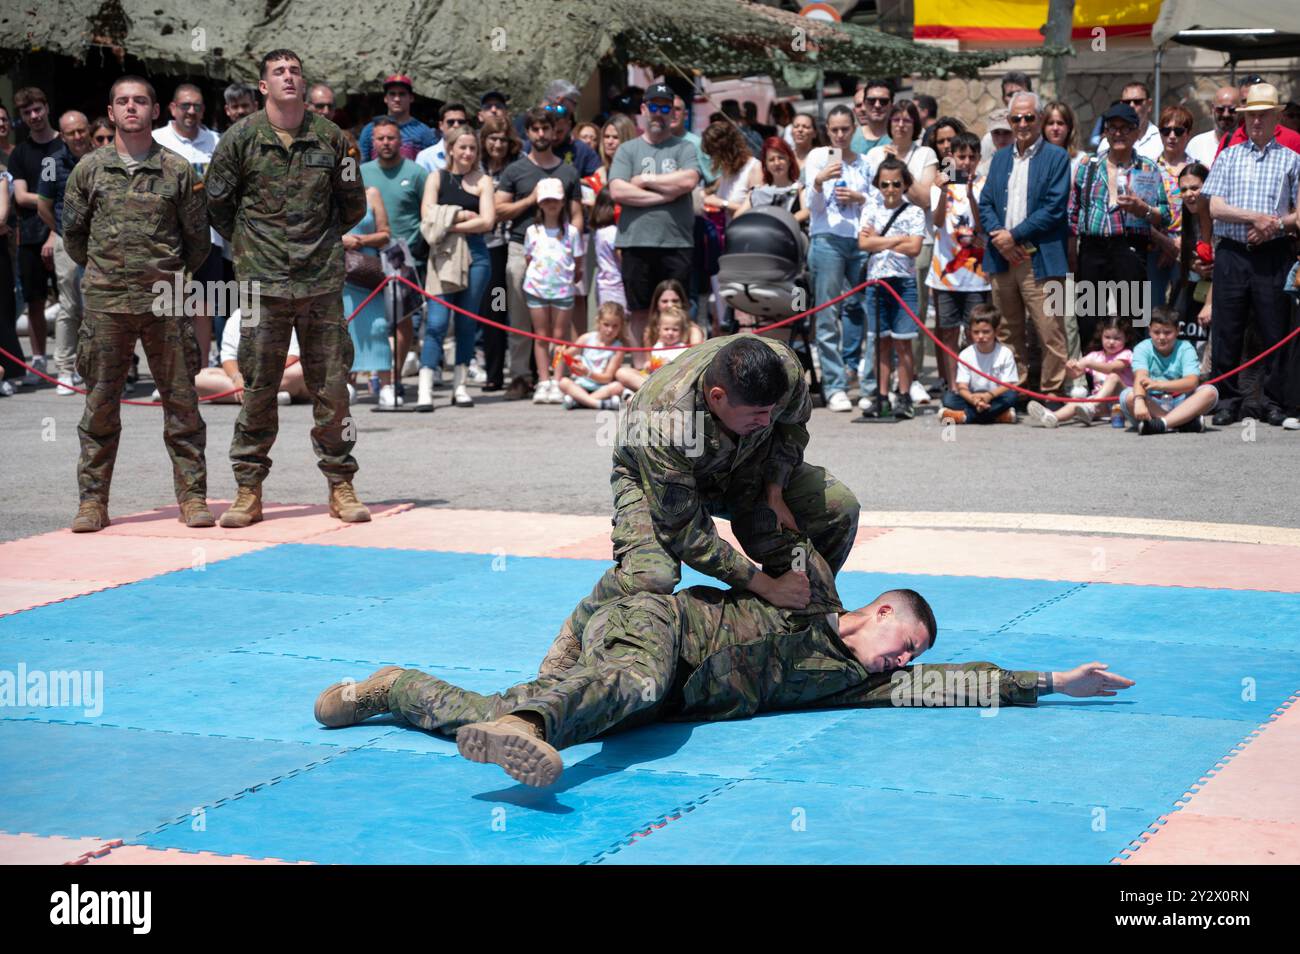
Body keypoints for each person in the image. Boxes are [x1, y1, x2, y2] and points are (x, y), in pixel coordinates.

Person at [315, 545, 1134, 788]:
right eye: (908, 642)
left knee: (500, 706)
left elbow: (965, 683)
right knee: (621, 685)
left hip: (668, 698)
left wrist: (1055, 682)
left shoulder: (863, 680)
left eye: (916, 658)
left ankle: (387, 688)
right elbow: (753, 526)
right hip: (660, 623)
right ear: (882, 611)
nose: (910, 661)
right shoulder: (809, 594)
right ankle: (529, 727)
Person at [537, 334, 861, 678]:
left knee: (838, 508)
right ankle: (578, 633)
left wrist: (775, 490)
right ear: (717, 397)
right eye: (757, 414)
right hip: (654, 479)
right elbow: (688, 534)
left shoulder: (783, 370)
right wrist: (767, 585)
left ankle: (793, 617)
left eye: (770, 411)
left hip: (748, 467)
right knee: (652, 575)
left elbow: (791, 427)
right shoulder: (662, 419)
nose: (766, 421)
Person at [206, 48, 370, 528]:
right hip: (263, 284)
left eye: (296, 71)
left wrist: (313, 241)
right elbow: (217, 206)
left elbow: (352, 204)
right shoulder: (239, 140)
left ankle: (341, 484)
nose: (289, 78)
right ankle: (247, 490)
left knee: (332, 388)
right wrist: (255, 245)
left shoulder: (332, 140)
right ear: (263, 86)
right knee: (257, 388)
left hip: (320, 282)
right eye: (279, 72)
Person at [61, 75, 212, 532]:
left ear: (154, 111)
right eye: (123, 102)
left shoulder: (178, 170)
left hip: (164, 302)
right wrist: (110, 272)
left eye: (140, 101)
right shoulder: (89, 169)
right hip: (107, 304)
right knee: (101, 407)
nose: (131, 108)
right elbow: (74, 237)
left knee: (182, 404)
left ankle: (193, 497)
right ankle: (92, 503)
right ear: (110, 113)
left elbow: (197, 241)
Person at [1200, 83, 1300, 427]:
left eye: (1263, 115)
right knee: (1227, 328)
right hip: (1232, 253)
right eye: (1251, 115)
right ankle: (1227, 399)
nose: (1256, 121)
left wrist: (1273, 225)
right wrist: (1253, 217)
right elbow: (1214, 206)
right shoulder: (1229, 155)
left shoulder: (1292, 160)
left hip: (1273, 254)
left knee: (1274, 328)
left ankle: (1273, 400)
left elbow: (1299, 215)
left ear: (1276, 117)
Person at [978, 92, 1072, 397]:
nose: (1022, 124)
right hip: (1002, 257)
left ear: (1040, 119)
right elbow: (986, 203)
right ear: (1009, 121)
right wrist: (1001, 239)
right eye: (1016, 118)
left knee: (1050, 329)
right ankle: (1015, 391)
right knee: (1007, 329)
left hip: (1039, 258)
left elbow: (1054, 208)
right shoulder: (1000, 157)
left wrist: (1013, 236)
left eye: (1029, 117)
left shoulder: (1057, 157)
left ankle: (1051, 393)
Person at [608, 82, 701, 363]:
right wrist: (665, 196)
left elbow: (689, 180)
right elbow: (618, 191)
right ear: (644, 109)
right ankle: (641, 369)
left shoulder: (684, 147)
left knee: (677, 309)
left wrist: (646, 181)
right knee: (638, 310)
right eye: (655, 107)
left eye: (666, 108)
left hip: (677, 242)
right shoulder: (628, 150)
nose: (659, 114)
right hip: (635, 240)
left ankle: (679, 369)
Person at [1068, 102, 1171, 355]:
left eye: (1126, 128)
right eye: (1113, 128)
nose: (1118, 134)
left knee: (1131, 316)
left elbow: (1164, 216)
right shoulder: (1088, 165)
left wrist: (1142, 209)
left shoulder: (1148, 167)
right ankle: (1093, 379)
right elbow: (1073, 213)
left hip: (1130, 247)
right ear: (1105, 132)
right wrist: (1073, 254)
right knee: (1089, 316)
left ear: (1137, 133)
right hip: (1092, 248)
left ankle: (1129, 381)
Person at [495, 106, 583, 399]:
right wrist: (530, 200)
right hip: (523, 247)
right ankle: (521, 375)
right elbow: (498, 209)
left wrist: (573, 248)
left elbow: (577, 214)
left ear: (555, 131)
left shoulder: (568, 171)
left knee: (559, 324)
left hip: (560, 249)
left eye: (547, 129)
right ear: (529, 132)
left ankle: (559, 377)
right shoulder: (515, 170)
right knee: (520, 318)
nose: (542, 134)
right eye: (535, 129)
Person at [865, 100, 938, 405]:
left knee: (912, 318)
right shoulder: (873, 154)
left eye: (907, 119)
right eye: (895, 119)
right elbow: (872, 199)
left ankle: (912, 381)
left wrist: (900, 167)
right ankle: (882, 388)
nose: (900, 124)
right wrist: (892, 241)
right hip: (880, 262)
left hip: (920, 241)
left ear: (915, 124)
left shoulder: (926, 154)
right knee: (882, 332)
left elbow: (924, 199)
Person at [802, 104, 874, 413]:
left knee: (861, 309)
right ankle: (834, 386)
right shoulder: (818, 157)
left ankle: (859, 375)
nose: (841, 135)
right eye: (835, 130)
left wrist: (860, 198)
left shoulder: (865, 163)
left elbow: (878, 202)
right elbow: (811, 206)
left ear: (854, 129)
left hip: (858, 240)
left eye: (846, 129)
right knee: (828, 313)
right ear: (828, 131)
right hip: (827, 239)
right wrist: (819, 182)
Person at [419, 125, 494, 409]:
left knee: (466, 322)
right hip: (442, 255)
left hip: (476, 254)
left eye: (472, 148)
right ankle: (426, 386)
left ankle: (460, 385)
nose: (467, 153)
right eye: (462, 147)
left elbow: (487, 221)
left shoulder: (483, 181)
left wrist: (449, 222)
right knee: (437, 322)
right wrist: (462, 214)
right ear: (450, 148)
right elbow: (426, 215)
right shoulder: (436, 177)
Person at [152, 83, 224, 366]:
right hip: (167, 239)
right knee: (167, 305)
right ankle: (168, 371)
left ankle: (203, 368)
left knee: (204, 305)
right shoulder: (156, 139)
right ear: (172, 108)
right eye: (185, 105)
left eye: (197, 106)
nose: (191, 111)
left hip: (209, 239)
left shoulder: (217, 142)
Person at [857, 157, 926, 419]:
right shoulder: (871, 210)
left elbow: (915, 248)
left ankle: (905, 396)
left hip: (902, 281)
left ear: (905, 184)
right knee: (881, 342)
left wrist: (879, 240)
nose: (890, 189)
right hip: (877, 282)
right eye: (884, 184)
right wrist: (898, 238)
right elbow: (863, 244)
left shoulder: (914, 212)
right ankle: (882, 396)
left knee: (903, 343)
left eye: (896, 183)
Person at [362, 117, 426, 393]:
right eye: (380, 138)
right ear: (373, 142)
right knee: (368, 318)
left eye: (391, 138)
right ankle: (368, 375)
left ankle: (395, 377)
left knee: (402, 320)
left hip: (403, 256)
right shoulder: (361, 173)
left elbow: (427, 214)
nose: (386, 143)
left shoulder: (416, 173)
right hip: (366, 255)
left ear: (401, 141)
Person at [927, 131, 990, 394]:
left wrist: (972, 194)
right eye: (961, 156)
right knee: (949, 332)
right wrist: (942, 191)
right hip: (946, 275)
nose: (965, 162)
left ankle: (974, 385)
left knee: (976, 332)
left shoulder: (984, 183)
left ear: (978, 159)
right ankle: (952, 386)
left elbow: (983, 224)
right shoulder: (939, 184)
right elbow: (938, 221)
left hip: (976, 276)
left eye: (971, 157)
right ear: (951, 157)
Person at [35, 111, 92, 396]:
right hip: (67, 243)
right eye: (71, 133)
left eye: (82, 131)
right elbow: (43, 204)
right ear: (62, 135)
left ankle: (88, 366)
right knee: (70, 307)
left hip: (99, 244)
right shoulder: (51, 163)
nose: (78, 137)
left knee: (96, 308)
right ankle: (66, 369)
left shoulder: (102, 158)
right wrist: (58, 229)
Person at [8, 86, 62, 381]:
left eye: (37, 109)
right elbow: (20, 195)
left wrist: (55, 233)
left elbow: (72, 193)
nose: (34, 116)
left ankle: (73, 361)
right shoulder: (20, 153)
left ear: (47, 108)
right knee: (35, 301)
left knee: (74, 301)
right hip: (29, 235)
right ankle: (39, 360)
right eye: (27, 112)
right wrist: (50, 196)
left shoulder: (64, 144)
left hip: (65, 233)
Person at [523, 177, 583, 403]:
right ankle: (543, 380)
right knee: (540, 336)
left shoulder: (572, 232)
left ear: (562, 202)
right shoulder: (532, 231)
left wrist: (567, 279)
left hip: (562, 289)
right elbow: (529, 258)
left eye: (555, 200)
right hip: (536, 288)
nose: (551, 205)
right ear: (540, 202)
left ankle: (558, 380)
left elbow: (578, 262)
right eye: (546, 200)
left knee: (560, 337)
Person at [1119, 306, 1219, 434]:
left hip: (1180, 401)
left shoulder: (1186, 348)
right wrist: (1139, 400)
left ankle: (1161, 424)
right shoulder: (1142, 348)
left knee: (1210, 392)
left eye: (1167, 332)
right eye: (1156, 332)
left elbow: (1191, 382)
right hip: (1152, 402)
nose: (1161, 337)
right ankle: (1181, 423)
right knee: (1128, 395)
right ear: (1149, 331)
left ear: (1178, 331)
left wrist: (1158, 385)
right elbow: (1140, 376)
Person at [478, 115, 521, 393]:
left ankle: (521, 373)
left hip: (515, 246)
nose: (498, 144)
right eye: (492, 138)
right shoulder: (477, 168)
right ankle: (494, 372)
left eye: (503, 139)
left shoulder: (518, 168)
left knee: (515, 310)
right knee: (493, 310)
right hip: (488, 248)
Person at [342, 176, 394, 403]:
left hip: (367, 272)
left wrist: (360, 240)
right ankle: (348, 383)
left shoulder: (372, 193)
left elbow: (385, 233)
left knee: (378, 328)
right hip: (340, 271)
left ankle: (385, 385)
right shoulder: (326, 193)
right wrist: (340, 239)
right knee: (346, 329)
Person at [1027, 317, 1133, 427]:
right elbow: (1075, 374)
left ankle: (1090, 407)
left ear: (1126, 338)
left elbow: (1111, 368)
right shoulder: (1095, 356)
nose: (1111, 342)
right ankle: (1052, 416)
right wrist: (1069, 368)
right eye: (1107, 337)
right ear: (1101, 336)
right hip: (1102, 403)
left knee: (1113, 377)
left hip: (1123, 401)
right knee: (1076, 402)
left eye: (1117, 338)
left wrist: (1088, 363)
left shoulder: (1126, 354)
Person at [197, 307, 309, 406]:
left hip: (275, 375)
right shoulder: (236, 316)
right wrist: (237, 377)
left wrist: (265, 374)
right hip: (243, 376)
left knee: (298, 372)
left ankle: (250, 397)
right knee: (199, 378)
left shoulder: (282, 315)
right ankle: (268, 396)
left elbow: (293, 356)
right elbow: (228, 358)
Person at [940, 305, 1018, 424]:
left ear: (996, 331)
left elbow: (1008, 385)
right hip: (972, 397)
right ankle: (997, 416)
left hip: (995, 396)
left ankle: (965, 417)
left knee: (1011, 396)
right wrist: (973, 400)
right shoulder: (965, 354)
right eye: (976, 332)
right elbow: (962, 387)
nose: (980, 336)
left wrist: (988, 396)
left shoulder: (1005, 353)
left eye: (986, 332)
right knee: (949, 398)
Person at [1168, 163, 1213, 367]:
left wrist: (1210, 304)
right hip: (1191, 289)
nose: (1189, 194)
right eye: (1184, 189)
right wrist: (1192, 263)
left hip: (1215, 294)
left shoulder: (1219, 218)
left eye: (1195, 188)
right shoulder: (1187, 217)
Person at [1148, 106, 1193, 307]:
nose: (1172, 136)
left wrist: (1179, 245)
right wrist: (1165, 243)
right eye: (1166, 131)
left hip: (1185, 248)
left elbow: (1202, 213)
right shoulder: (1147, 168)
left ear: (1188, 133)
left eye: (1179, 131)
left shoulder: (1197, 169)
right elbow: (1141, 211)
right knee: (1150, 310)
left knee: (1180, 309)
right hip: (1153, 245)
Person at [555, 300, 625, 409]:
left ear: (620, 326)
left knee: (617, 387)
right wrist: (561, 352)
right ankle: (596, 404)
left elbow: (607, 377)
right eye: (606, 325)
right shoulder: (586, 338)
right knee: (563, 382)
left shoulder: (618, 348)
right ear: (598, 322)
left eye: (615, 326)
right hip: (581, 385)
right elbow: (566, 356)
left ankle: (579, 401)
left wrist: (587, 373)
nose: (610, 330)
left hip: (602, 386)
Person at [615, 302, 694, 393]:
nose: (670, 333)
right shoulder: (658, 345)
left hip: (670, 382)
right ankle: (648, 392)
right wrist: (648, 365)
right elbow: (651, 369)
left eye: (675, 329)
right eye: (666, 329)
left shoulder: (682, 348)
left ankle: (647, 393)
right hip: (652, 380)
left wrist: (669, 365)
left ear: (681, 331)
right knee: (622, 372)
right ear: (659, 329)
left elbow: (684, 371)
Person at [358, 74, 437, 162]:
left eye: (402, 94)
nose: (397, 99)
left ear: (411, 98)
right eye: (392, 94)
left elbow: (432, 164)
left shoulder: (424, 132)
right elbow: (361, 164)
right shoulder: (370, 130)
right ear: (385, 98)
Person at [701, 121, 759, 226]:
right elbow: (712, 190)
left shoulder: (754, 168)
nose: (714, 160)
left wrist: (722, 203)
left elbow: (756, 208)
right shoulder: (728, 169)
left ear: (727, 151)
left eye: (716, 155)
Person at [737, 136, 806, 224]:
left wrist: (788, 221)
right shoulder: (756, 193)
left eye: (781, 158)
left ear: (789, 160)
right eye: (771, 160)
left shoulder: (800, 189)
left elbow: (807, 211)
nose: (777, 163)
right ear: (765, 164)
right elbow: (737, 217)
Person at [1097, 82, 1163, 162]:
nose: (1131, 105)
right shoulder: (1107, 143)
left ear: (1149, 105)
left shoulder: (1161, 140)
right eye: (1127, 102)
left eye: (1137, 101)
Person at [413, 101, 470, 175]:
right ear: (441, 125)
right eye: (451, 122)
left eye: (461, 122)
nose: (456, 125)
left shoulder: (474, 155)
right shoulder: (426, 157)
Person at [1187, 86, 1238, 167]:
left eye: (1232, 110)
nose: (1226, 114)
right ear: (1212, 109)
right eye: (1220, 109)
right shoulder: (1196, 145)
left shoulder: (1247, 145)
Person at [590, 187, 624, 308]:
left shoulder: (600, 231)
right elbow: (622, 258)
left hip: (603, 285)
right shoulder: (614, 233)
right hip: (617, 286)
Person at [1041, 100, 1088, 181]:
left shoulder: (1080, 160)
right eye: (1050, 123)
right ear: (1043, 127)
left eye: (1060, 123)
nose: (1055, 128)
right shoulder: (1035, 159)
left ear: (1069, 127)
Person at [850, 80, 893, 155]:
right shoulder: (848, 135)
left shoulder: (902, 137)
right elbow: (833, 161)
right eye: (871, 101)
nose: (877, 105)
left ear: (892, 106)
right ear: (864, 105)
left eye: (883, 101)